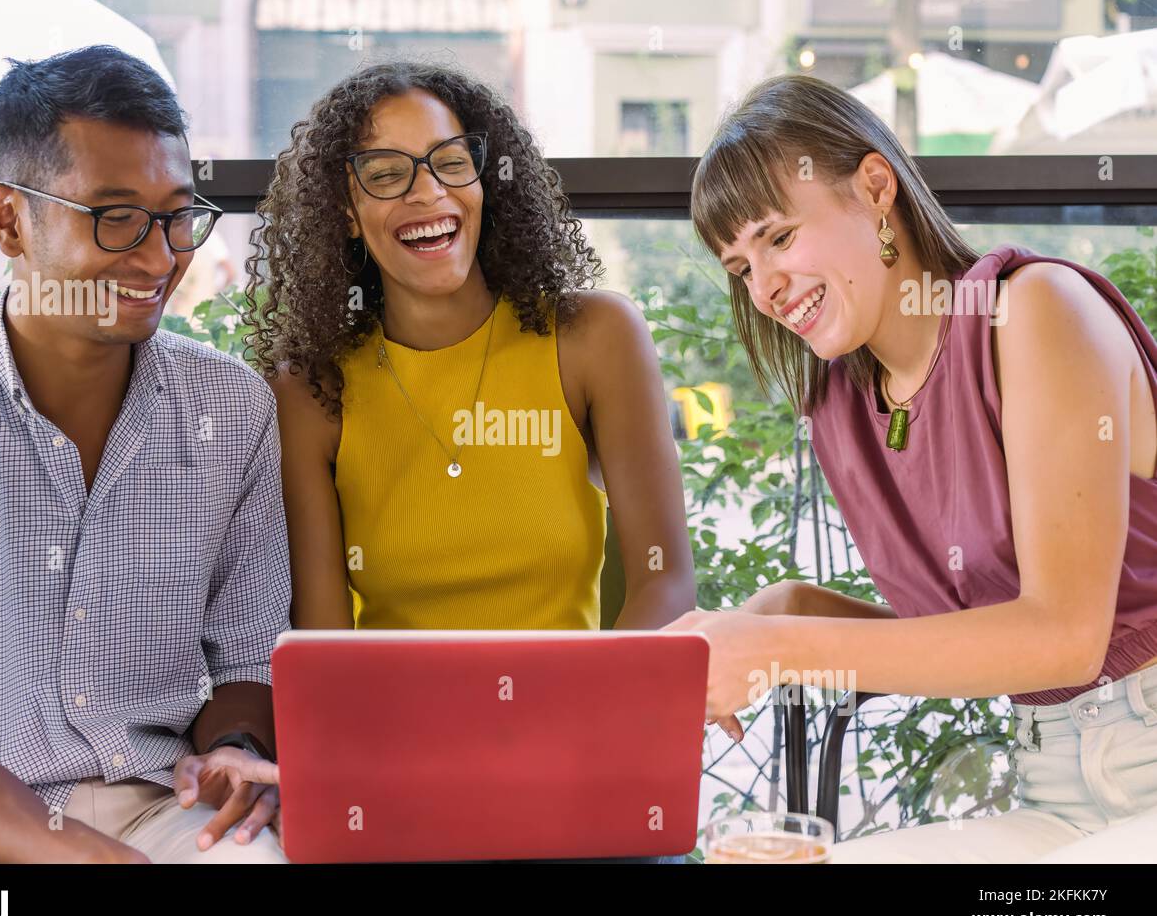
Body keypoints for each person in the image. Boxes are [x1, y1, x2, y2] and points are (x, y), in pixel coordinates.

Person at [677, 73, 1157, 862]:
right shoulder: (840, 403)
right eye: (739, 267)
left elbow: (1066, 635)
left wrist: (781, 647)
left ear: (874, 187)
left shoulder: (1033, 310)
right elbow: (964, 641)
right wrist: (759, 625)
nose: (763, 288)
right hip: (1056, 790)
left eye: (778, 238)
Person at [243, 61, 695, 862]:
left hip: (583, 757)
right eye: (387, 175)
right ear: (345, 213)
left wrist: (605, 727)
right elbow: (324, 646)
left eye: (452, 162)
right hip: (401, 776)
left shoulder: (594, 338)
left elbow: (665, 577)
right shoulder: (310, 391)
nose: (430, 195)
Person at [0, 46, 291, 863]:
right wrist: (83, 857)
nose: (161, 257)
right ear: (7, 219)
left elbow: (247, 657)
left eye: (174, 215)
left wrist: (233, 745)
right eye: (115, 216)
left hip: (168, 804)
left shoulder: (234, 412)